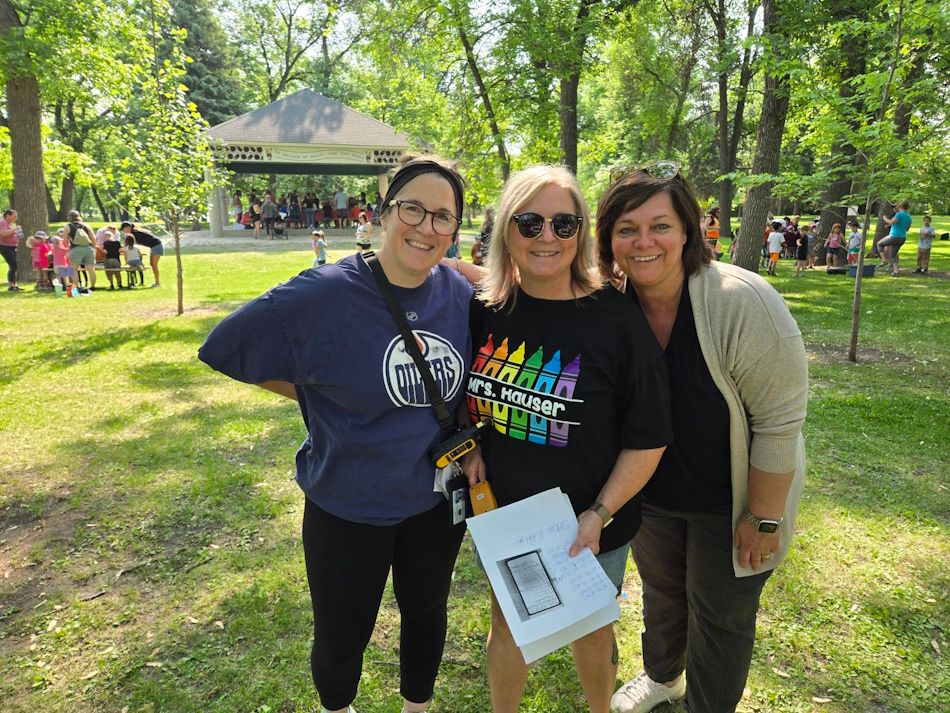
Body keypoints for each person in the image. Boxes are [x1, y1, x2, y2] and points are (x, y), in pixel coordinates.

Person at [198, 155, 473, 713]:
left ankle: (416, 708)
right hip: (347, 506)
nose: (426, 227)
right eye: (412, 209)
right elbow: (224, 346)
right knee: (342, 635)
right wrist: (313, 391)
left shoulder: (460, 293)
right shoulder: (321, 294)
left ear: (455, 229)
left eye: (443, 216)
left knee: (427, 613)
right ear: (383, 213)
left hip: (435, 502)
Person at [594, 166, 807, 713]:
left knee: (720, 615)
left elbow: (780, 425)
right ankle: (664, 678)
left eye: (659, 225)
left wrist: (763, 518)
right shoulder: (611, 306)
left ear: (689, 230)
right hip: (653, 496)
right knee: (664, 596)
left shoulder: (742, 302)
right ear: (608, 239)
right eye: (626, 228)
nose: (643, 242)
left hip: (729, 499)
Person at [460, 165, 671, 713]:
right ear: (507, 230)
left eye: (563, 223)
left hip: (592, 523)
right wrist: (472, 442)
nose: (547, 237)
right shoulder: (486, 311)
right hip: (509, 518)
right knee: (507, 626)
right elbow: (469, 392)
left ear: (581, 233)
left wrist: (600, 512)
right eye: (530, 223)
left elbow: (648, 438)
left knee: (591, 635)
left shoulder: (616, 320)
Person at [120, 221, 163, 288]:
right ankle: (157, 282)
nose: (123, 231)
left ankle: (157, 283)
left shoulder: (134, 234)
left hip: (156, 245)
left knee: (154, 264)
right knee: (152, 264)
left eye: (123, 229)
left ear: (128, 227)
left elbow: (130, 244)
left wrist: (123, 249)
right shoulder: (134, 233)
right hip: (153, 246)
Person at [66, 210, 98, 291]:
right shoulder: (86, 225)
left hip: (75, 249)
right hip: (88, 248)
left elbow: (65, 241)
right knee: (91, 269)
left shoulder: (68, 226)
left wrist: (68, 249)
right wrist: (93, 248)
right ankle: (93, 286)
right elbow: (93, 238)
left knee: (74, 269)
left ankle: (76, 287)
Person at [879, 200, 912, 276]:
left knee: (879, 244)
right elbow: (907, 228)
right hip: (902, 237)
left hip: (894, 236)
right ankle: (896, 272)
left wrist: (884, 218)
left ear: (900, 207)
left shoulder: (899, 214)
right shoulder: (909, 217)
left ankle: (884, 260)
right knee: (893, 254)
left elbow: (891, 222)